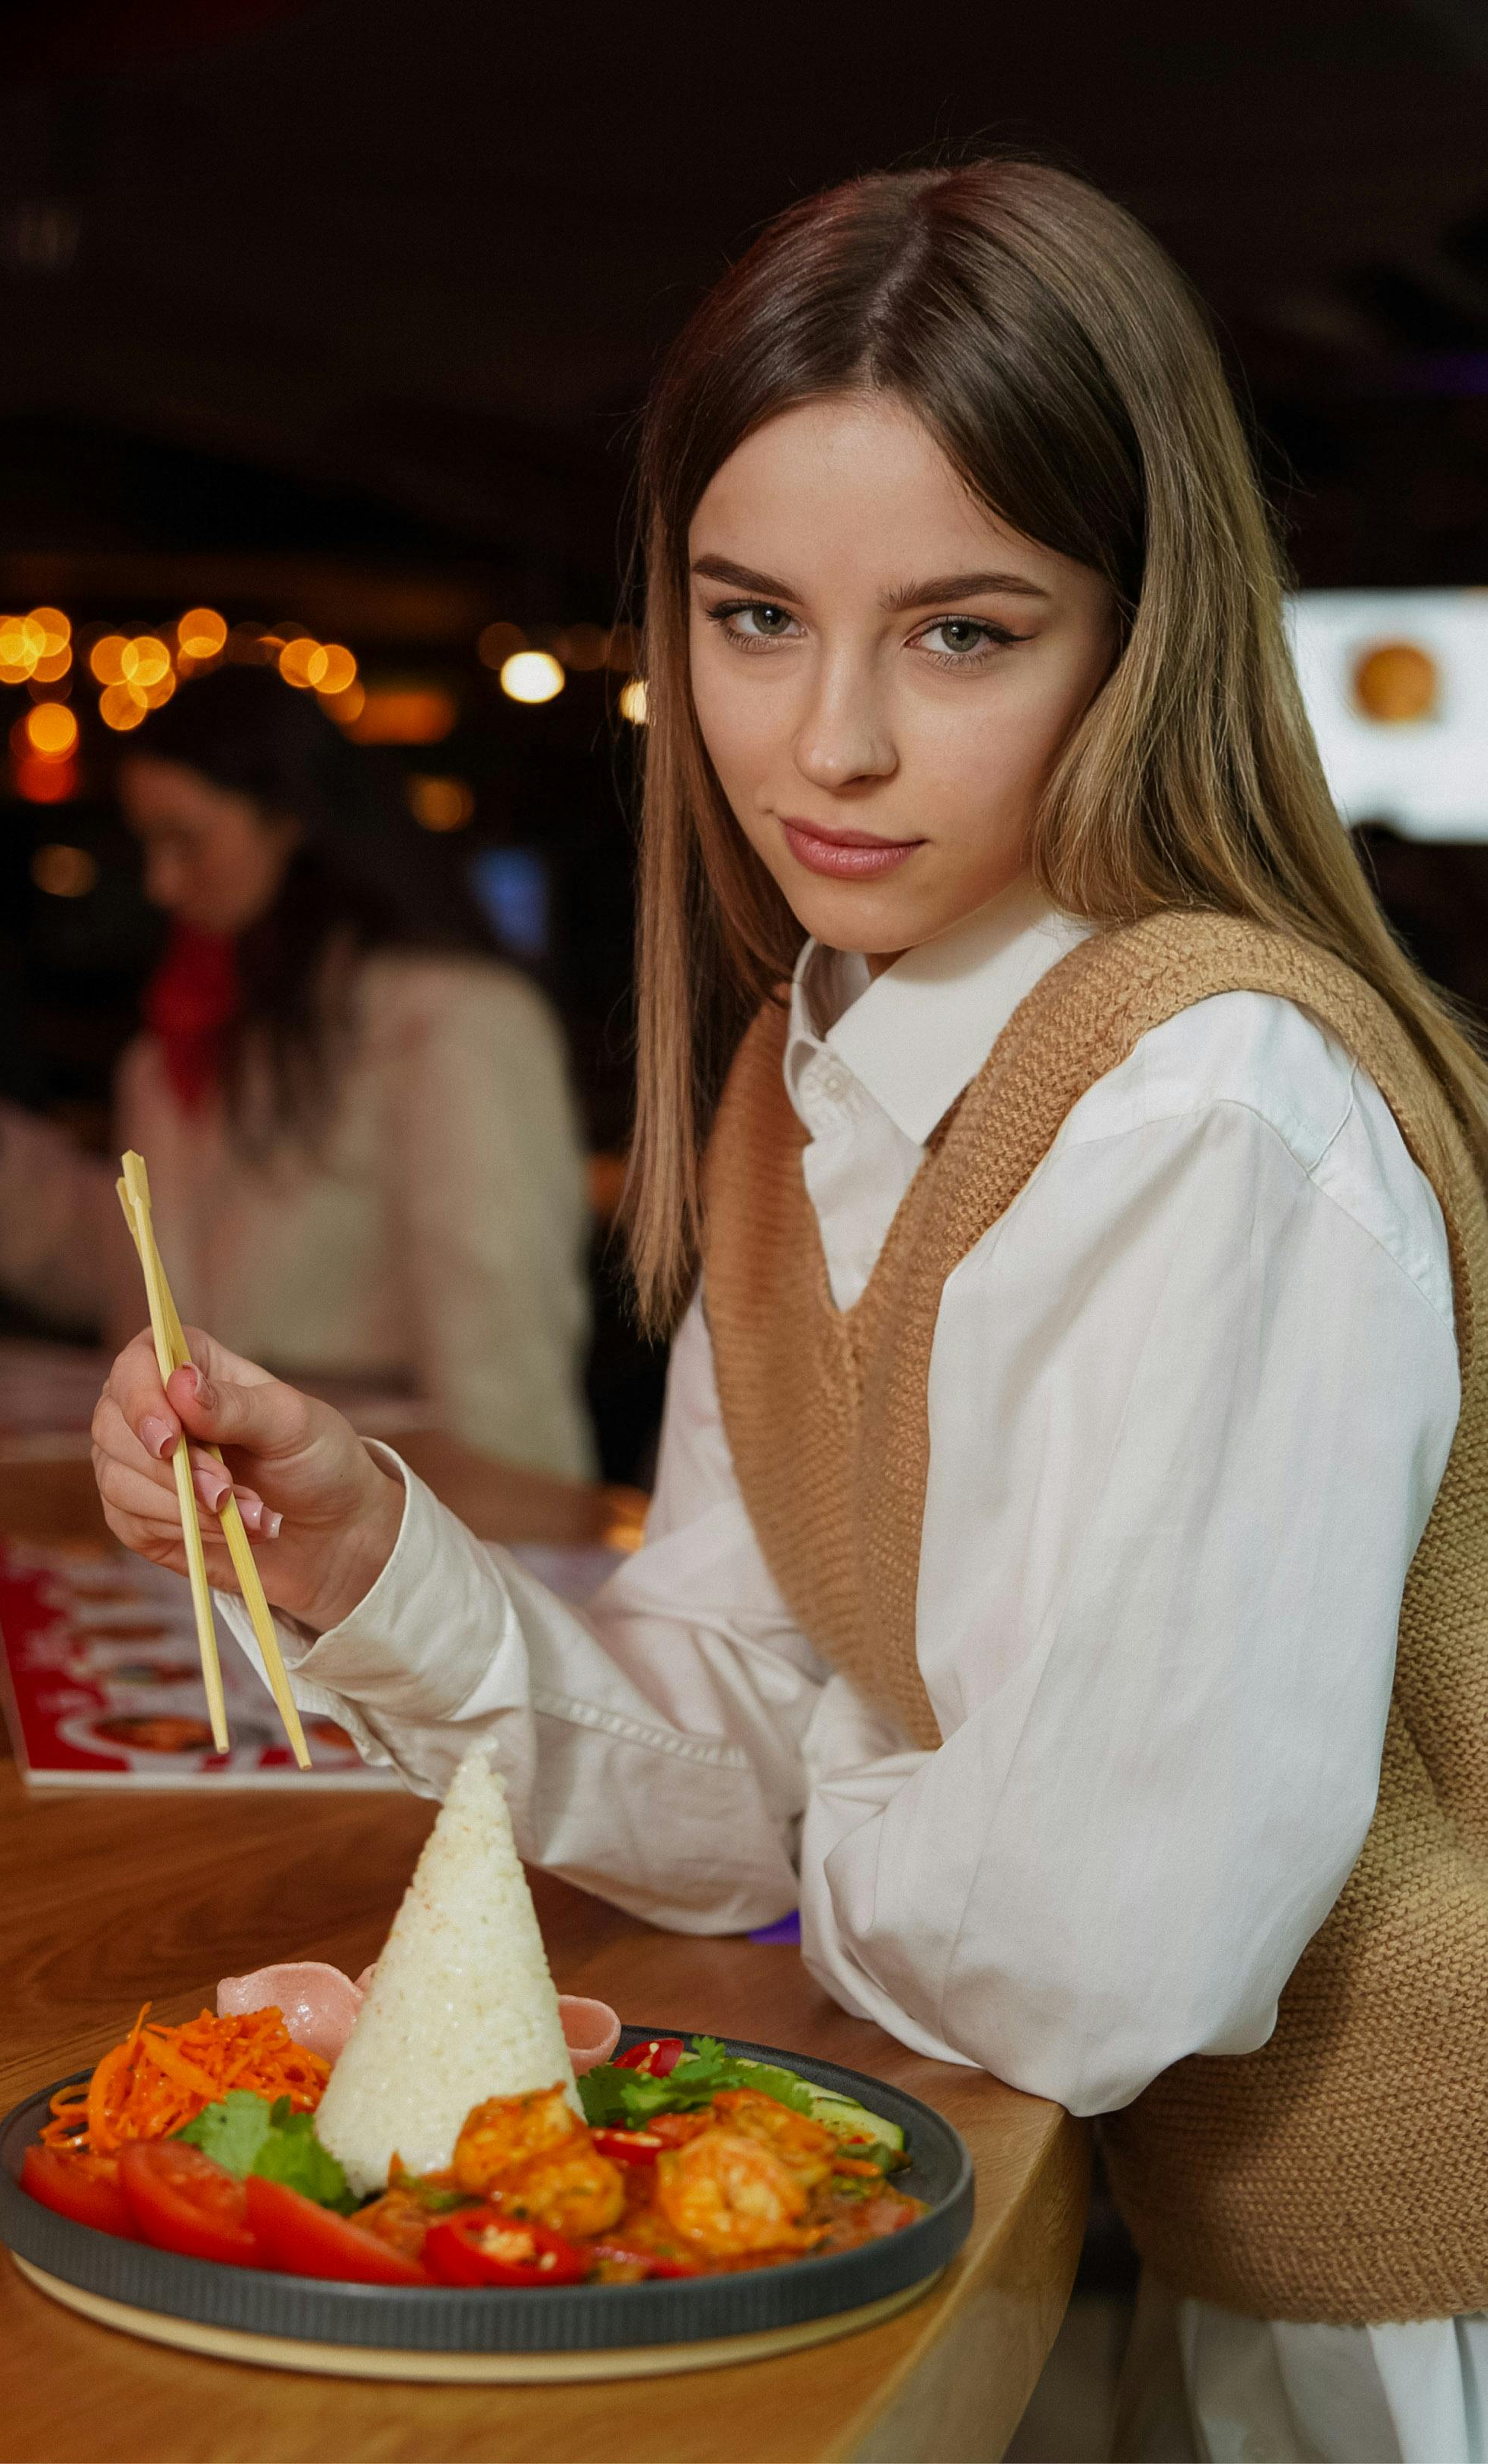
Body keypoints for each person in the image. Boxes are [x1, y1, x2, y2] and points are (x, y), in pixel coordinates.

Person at [86, 162, 1488, 2460]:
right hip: (1233, 2256)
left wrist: (862, 1794)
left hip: (1415, 2291)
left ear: (1137, 640)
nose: (823, 745)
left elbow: (1101, 1951)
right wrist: (368, 1557)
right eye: (752, 617)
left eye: (960, 632)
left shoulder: (1206, 1106)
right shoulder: (810, 1055)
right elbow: (765, 1712)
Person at [0, 666, 596, 1478]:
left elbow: (501, 1336)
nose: (161, 882)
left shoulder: (446, 1019)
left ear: (287, 818)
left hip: (376, 1513)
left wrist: (516, 1546)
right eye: (148, 845)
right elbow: (136, 1275)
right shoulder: (194, 1022)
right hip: (214, 1512)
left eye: (185, 839)